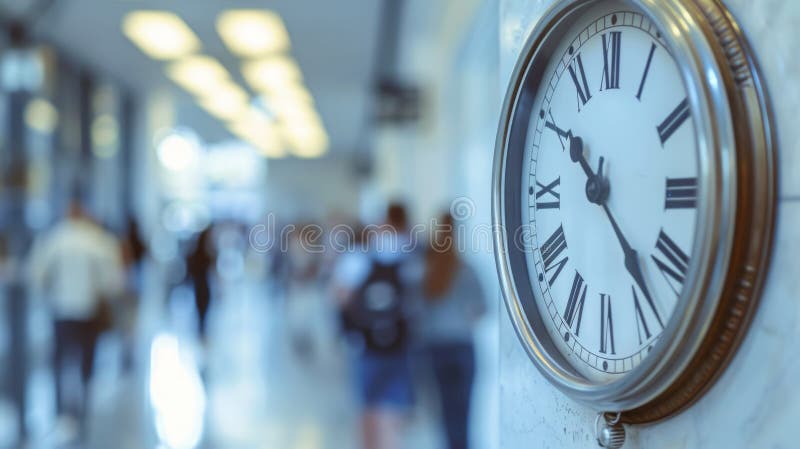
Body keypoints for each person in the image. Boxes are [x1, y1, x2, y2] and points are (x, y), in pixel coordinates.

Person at [28, 200, 125, 440]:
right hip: (89, 311)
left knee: (61, 361)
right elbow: (113, 282)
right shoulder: (98, 240)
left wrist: (51, 292)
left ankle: (62, 413)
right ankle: (83, 412)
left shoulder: (54, 238)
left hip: (61, 310)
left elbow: (37, 274)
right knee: (86, 361)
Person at [334, 203, 417, 449]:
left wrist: (348, 330)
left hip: (368, 345)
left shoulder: (358, 258)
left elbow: (340, 296)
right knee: (391, 413)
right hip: (396, 344)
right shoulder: (408, 254)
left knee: (368, 409)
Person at [418, 212, 486, 449]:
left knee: (445, 413)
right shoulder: (466, 269)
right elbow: (481, 309)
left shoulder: (427, 271)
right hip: (462, 347)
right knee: (464, 413)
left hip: (435, 348)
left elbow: (418, 312)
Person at [186, 227, 215, 341]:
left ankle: (201, 329)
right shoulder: (204, 253)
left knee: (201, 309)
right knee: (202, 308)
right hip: (202, 286)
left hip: (200, 285)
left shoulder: (199, 252)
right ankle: (201, 330)